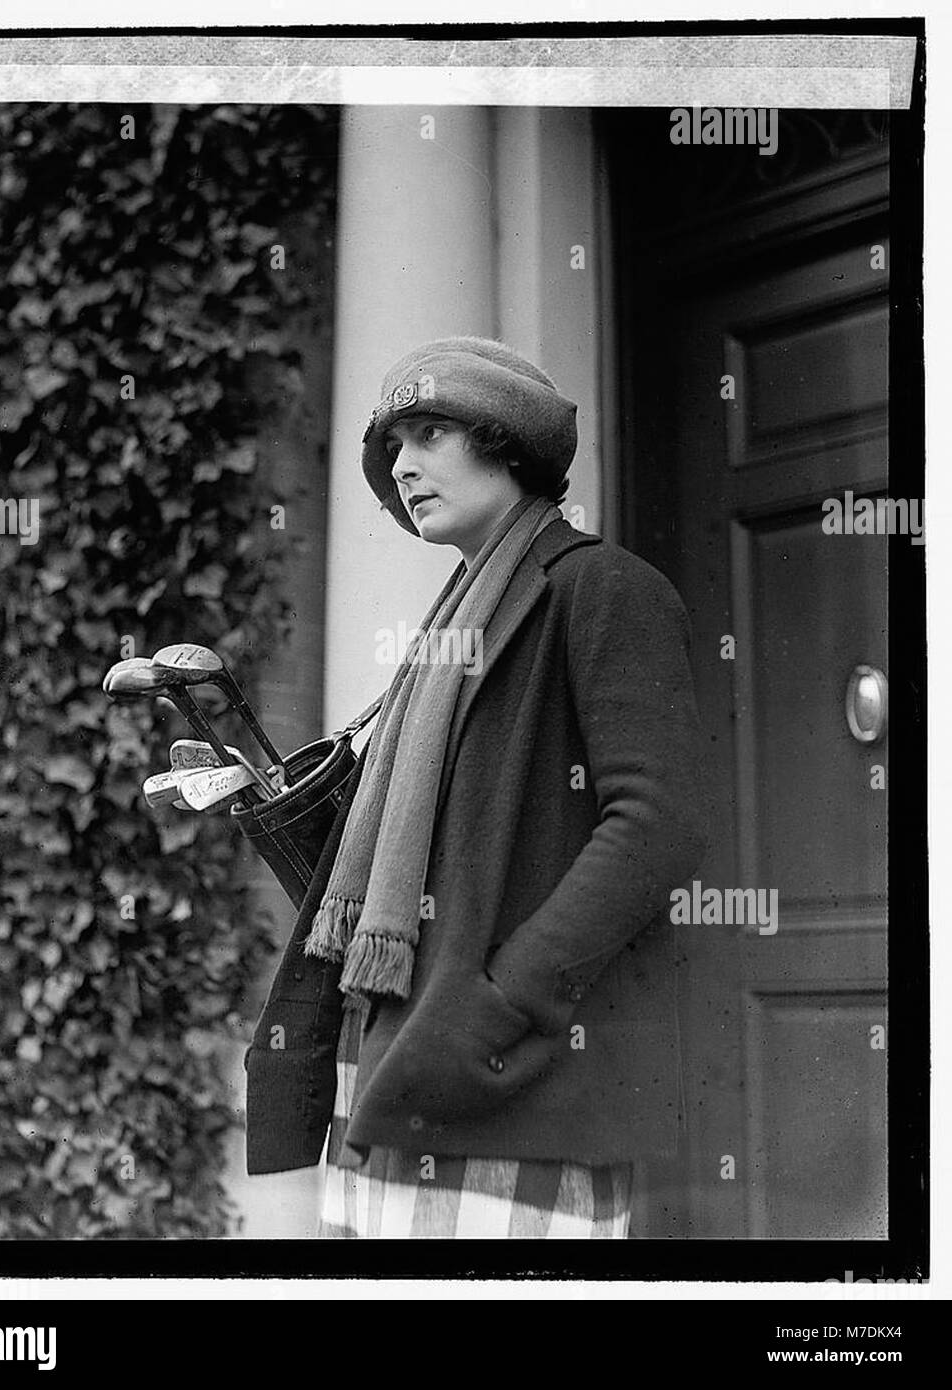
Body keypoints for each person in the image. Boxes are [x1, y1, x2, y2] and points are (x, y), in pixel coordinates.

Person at [241, 336, 709, 1238]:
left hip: (508, 1089)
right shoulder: (442, 633)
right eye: (392, 446)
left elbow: (659, 825)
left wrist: (503, 1003)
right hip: (388, 1061)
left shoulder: (603, 589)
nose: (401, 466)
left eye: (427, 434)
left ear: (505, 442)